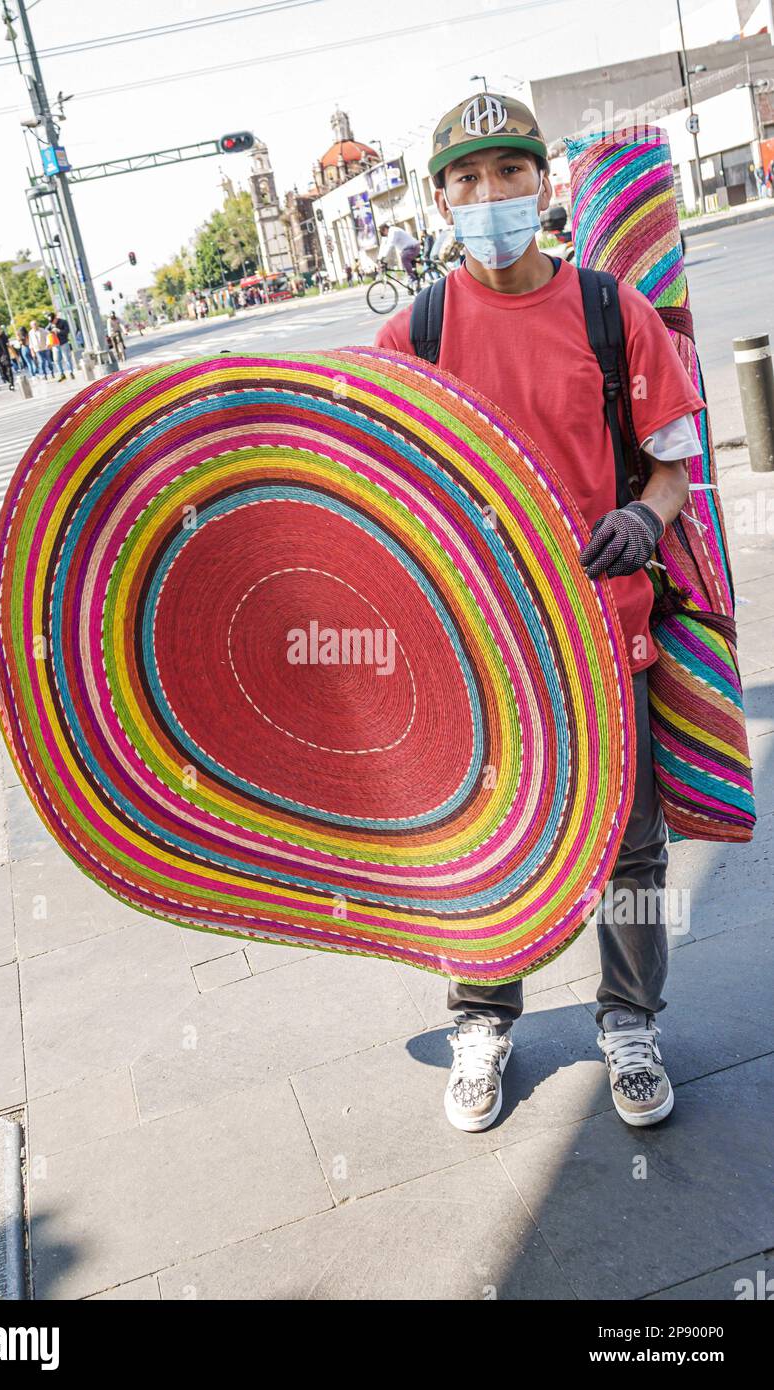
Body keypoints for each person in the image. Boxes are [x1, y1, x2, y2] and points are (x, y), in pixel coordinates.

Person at [375, 91, 706, 1134]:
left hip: (608, 636)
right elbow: (372, 490)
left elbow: (671, 466)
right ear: (439, 202)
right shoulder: (413, 331)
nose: (489, 196)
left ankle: (629, 1022)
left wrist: (645, 522)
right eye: (466, 181)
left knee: (633, 849)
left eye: (507, 173)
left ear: (542, 185)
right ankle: (482, 1018)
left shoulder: (611, 311)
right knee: (478, 839)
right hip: (479, 655)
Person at [376, 220, 421, 293]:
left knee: (404, 257)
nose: (385, 236)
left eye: (383, 233)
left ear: (385, 229)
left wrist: (383, 258)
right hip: (407, 249)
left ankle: (412, 278)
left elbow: (390, 245)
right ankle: (415, 285)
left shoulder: (393, 231)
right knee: (403, 257)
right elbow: (383, 246)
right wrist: (379, 258)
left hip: (413, 247)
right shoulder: (387, 234)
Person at [50, 312, 76, 379]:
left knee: (67, 358)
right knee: (56, 360)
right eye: (51, 321)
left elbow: (66, 332)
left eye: (53, 320)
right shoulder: (51, 324)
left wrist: (58, 330)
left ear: (55, 318)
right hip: (55, 344)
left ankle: (71, 372)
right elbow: (46, 330)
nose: (52, 322)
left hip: (63, 342)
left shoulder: (63, 322)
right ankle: (62, 374)